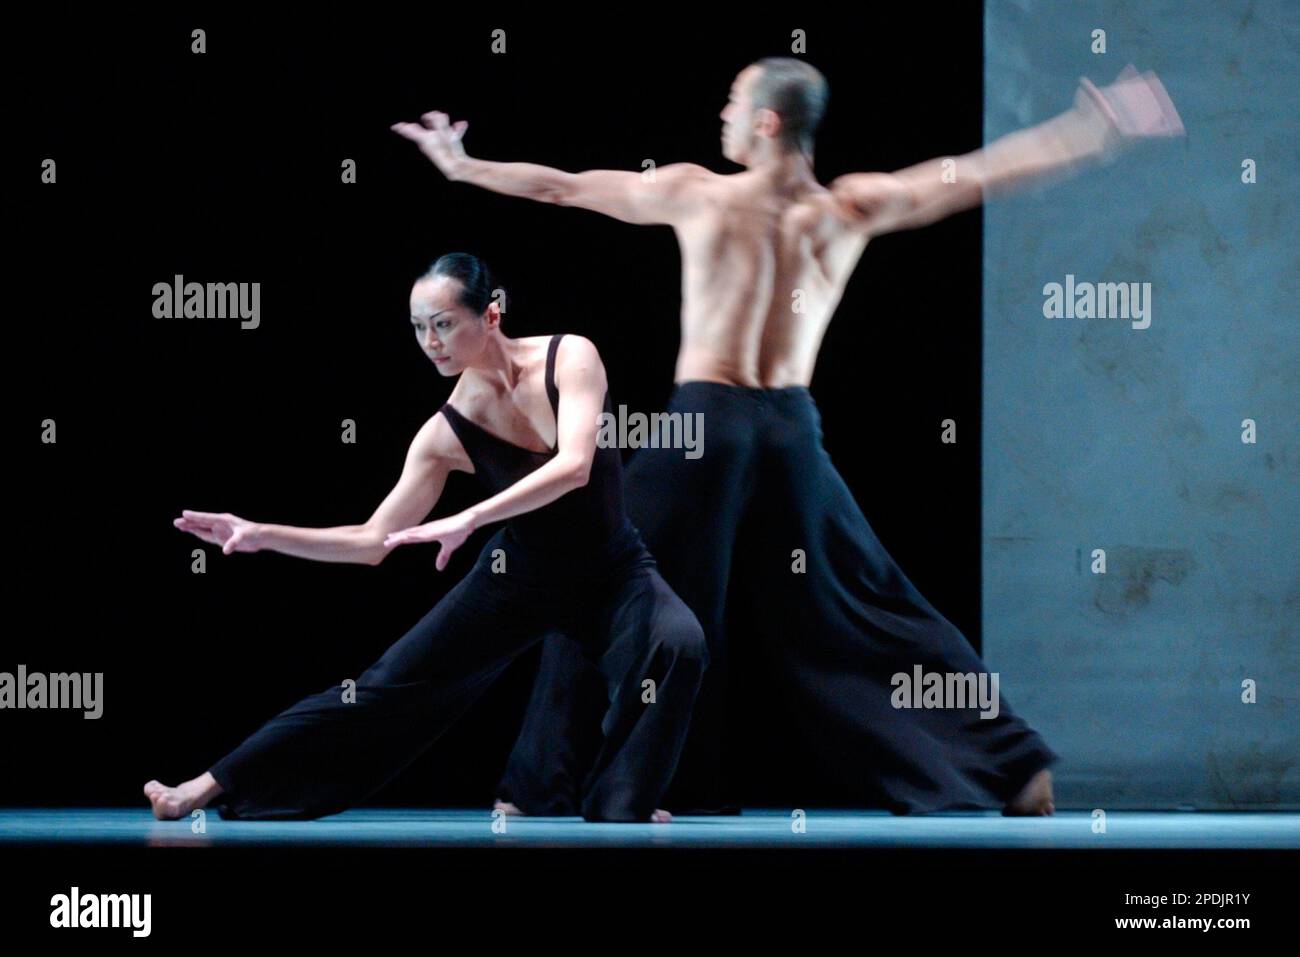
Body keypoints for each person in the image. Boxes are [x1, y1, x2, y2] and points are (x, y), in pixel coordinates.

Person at [391, 60, 1184, 816]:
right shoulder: (849, 207)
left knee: (597, 570)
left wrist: (466, 167)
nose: (724, 114)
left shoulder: (702, 195)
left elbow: (564, 190)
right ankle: (1011, 763)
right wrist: (1097, 128)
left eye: (735, 103)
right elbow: (978, 172)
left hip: (709, 420)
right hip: (791, 429)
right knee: (865, 598)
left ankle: (541, 784)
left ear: (766, 121)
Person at [144, 253, 708, 824]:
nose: (430, 342)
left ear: (490, 315)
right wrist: (262, 534)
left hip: (612, 569)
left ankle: (621, 802)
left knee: (679, 642)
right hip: (517, 578)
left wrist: (471, 518)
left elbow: (575, 466)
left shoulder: (570, 356)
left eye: (442, 323)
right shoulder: (443, 433)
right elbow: (372, 541)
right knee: (382, 689)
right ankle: (207, 785)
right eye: (418, 327)